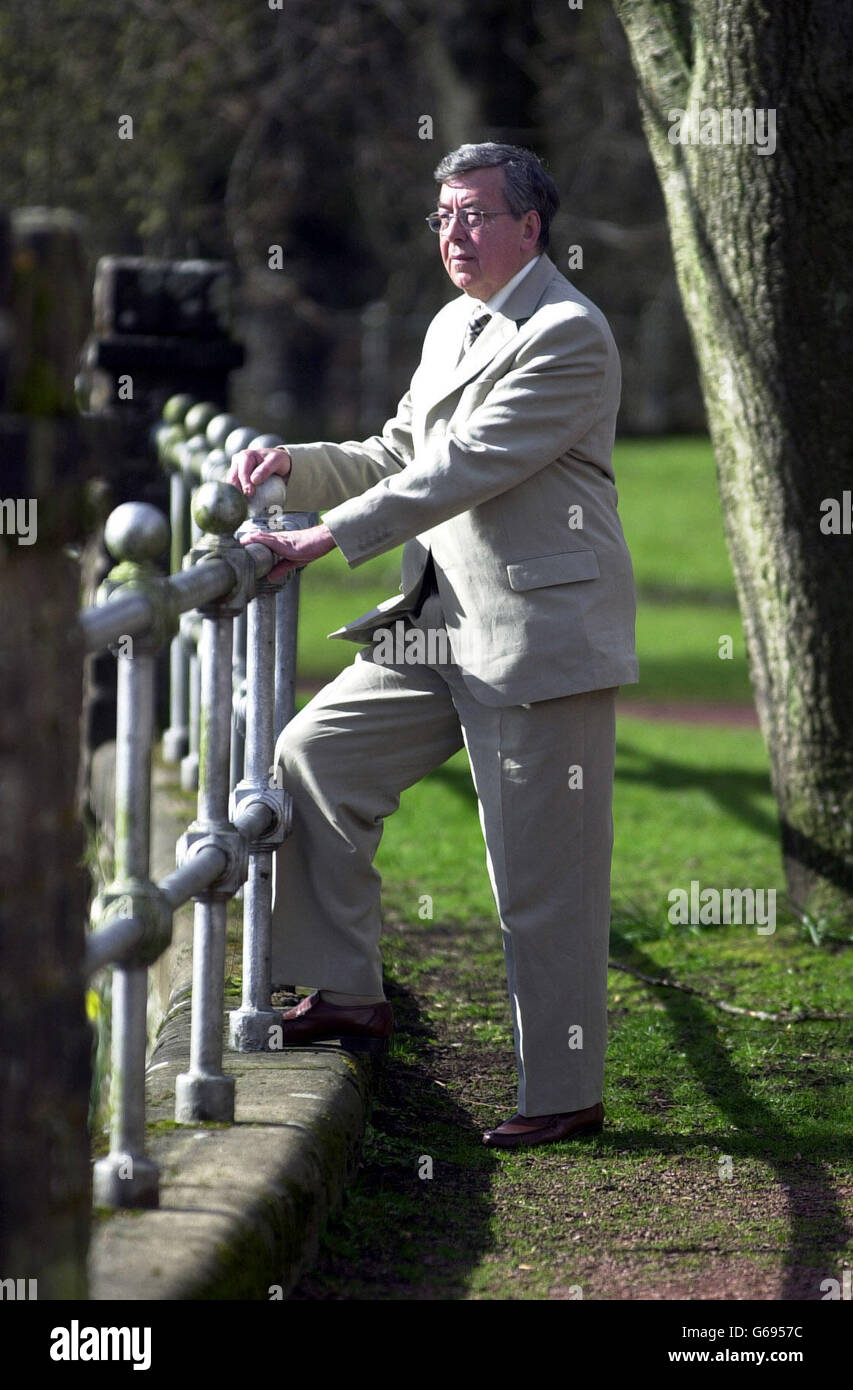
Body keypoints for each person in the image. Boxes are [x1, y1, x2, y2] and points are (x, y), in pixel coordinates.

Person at [228, 142, 638, 1149]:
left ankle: (562, 1094)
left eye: (475, 216)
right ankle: (346, 990)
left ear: (529, 228)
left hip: (542, 638)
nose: (453, 234)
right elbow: (396, 452)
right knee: (311, 756)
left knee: (540, 880)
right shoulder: (454, 322)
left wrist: (320, 538)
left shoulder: (567, 333)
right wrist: (299, 463)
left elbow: (463, 470)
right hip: (440, 626)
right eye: (443, 216)